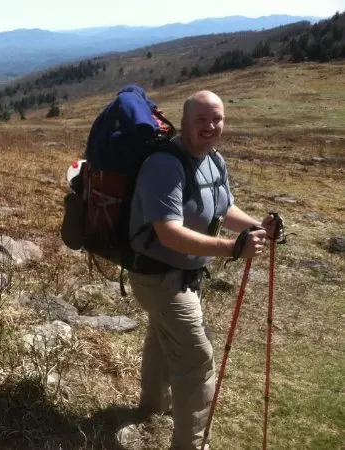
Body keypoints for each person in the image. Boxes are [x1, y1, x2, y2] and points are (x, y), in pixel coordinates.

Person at [128, 90, 280, 449]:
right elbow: (168, 233)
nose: (211, 126)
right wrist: (232, 249)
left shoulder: (213, 160)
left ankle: (149, 409)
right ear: (183, 122)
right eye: (202, 119)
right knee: (197, 361)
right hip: (158, 277)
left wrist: (258, 226)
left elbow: (224, 210)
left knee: (163, 341)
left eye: (217, 119)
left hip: (182, 276)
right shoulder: (165, 164)